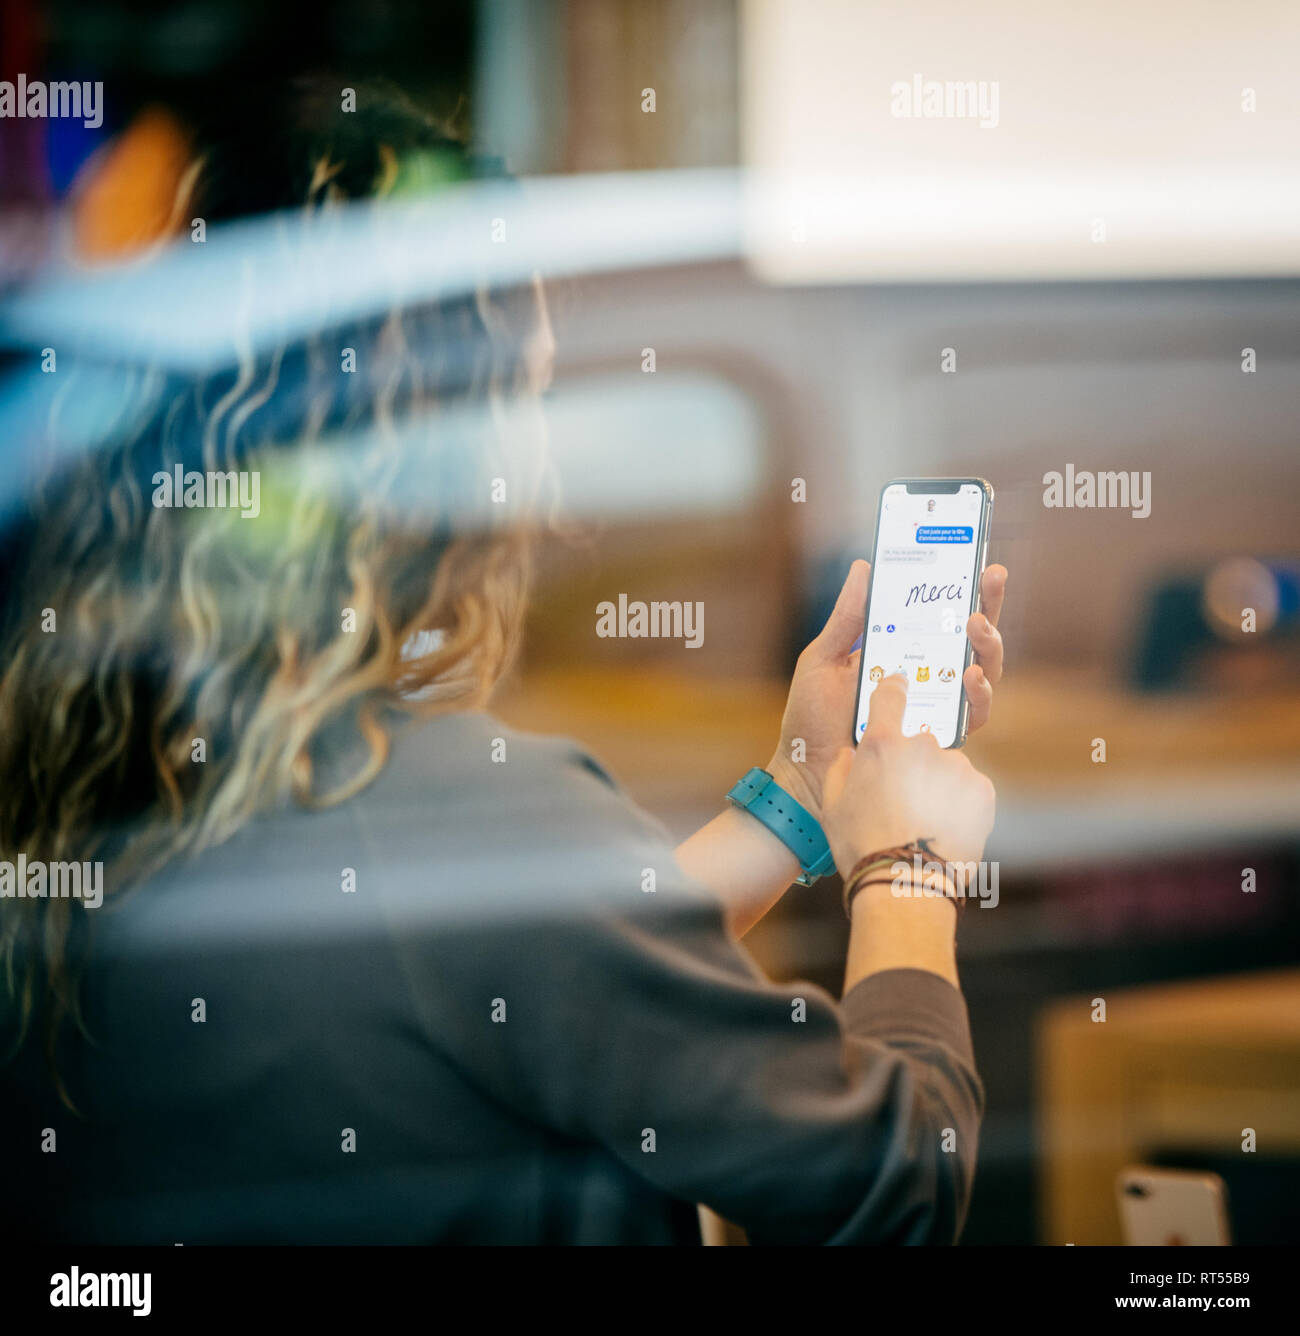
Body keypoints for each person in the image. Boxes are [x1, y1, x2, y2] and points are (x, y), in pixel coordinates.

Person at [0, 83, 1007, 1245]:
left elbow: (539, 975)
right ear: (428, 455)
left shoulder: (111, 772)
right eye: (526, 395)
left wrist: (795, 793)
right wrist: (912, 869)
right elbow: (892, 1189)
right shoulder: (468, 820)